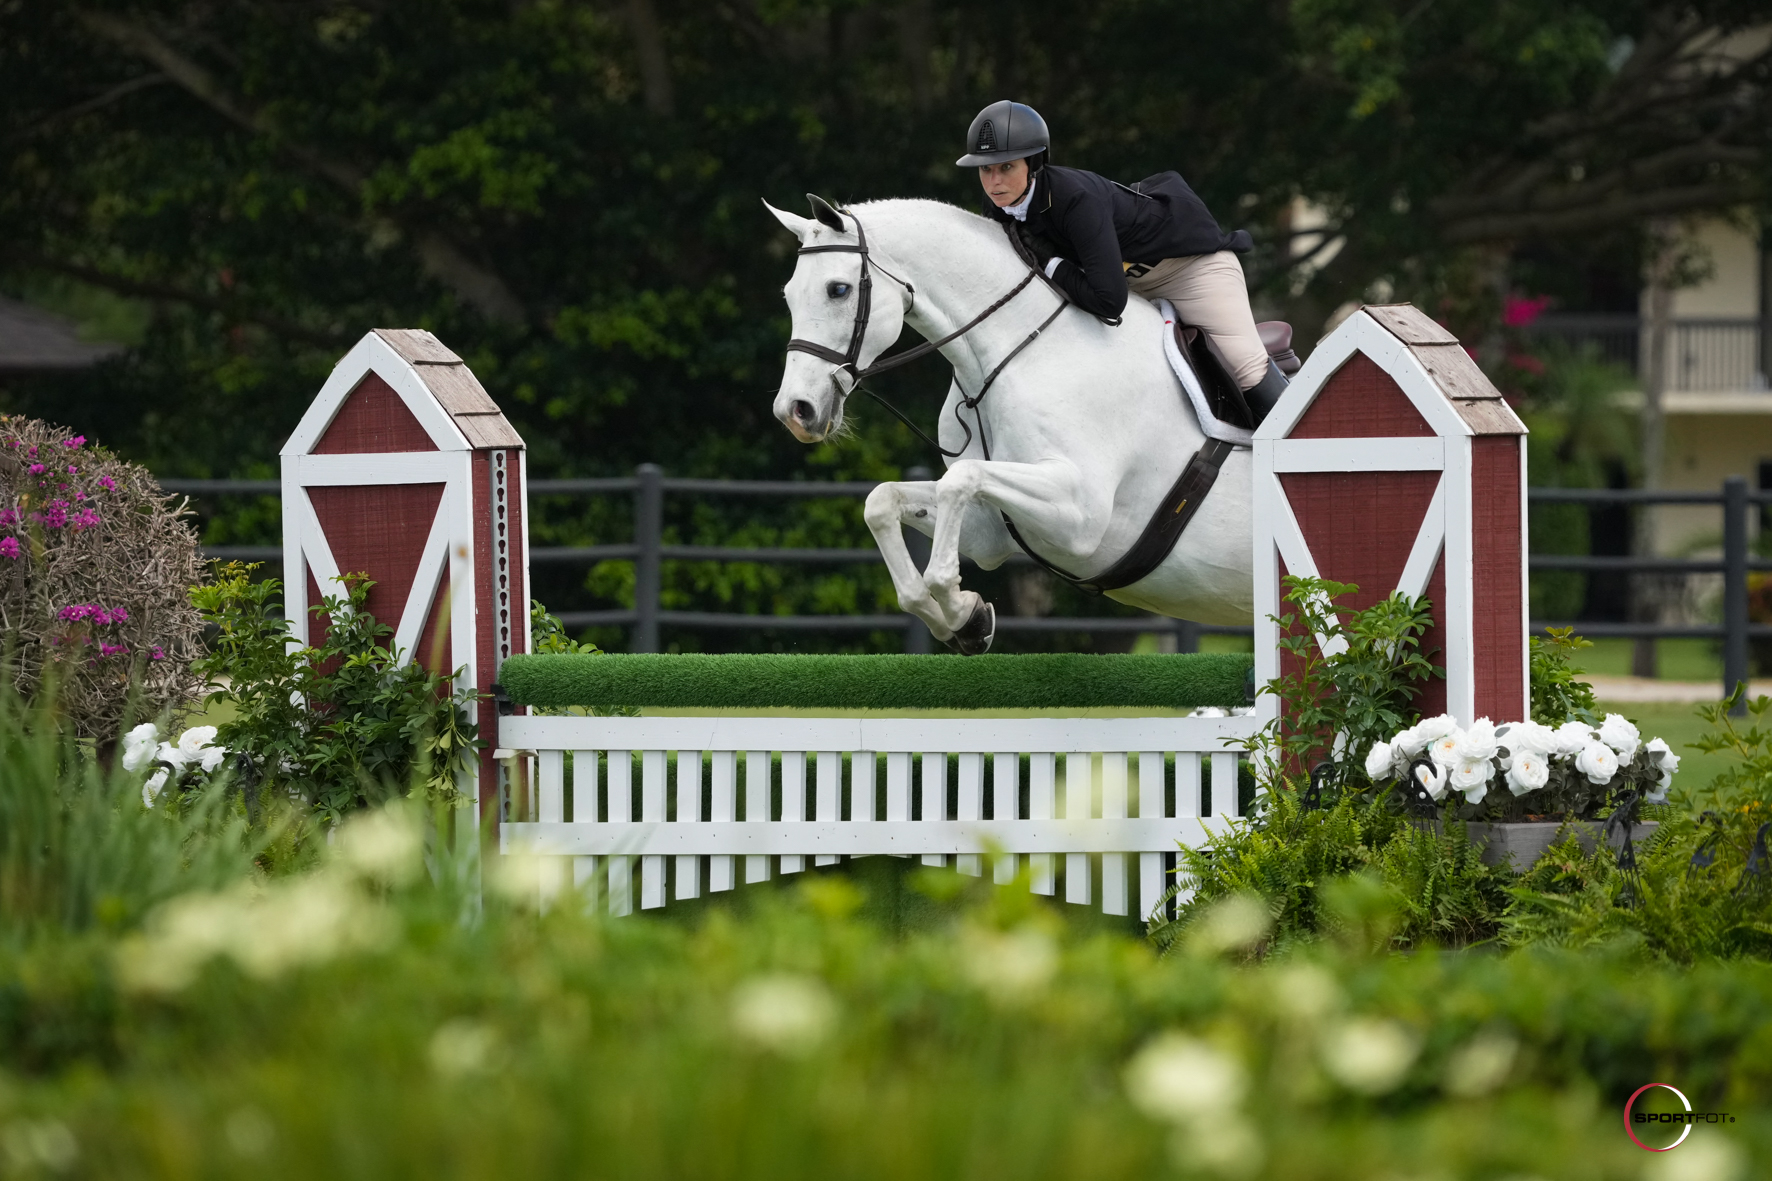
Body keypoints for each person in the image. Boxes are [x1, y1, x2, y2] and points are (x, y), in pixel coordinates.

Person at [957, 99, 1286, 419]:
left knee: (1244, 366)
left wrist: (1051, 260)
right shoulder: (1000, 205)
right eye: (985, 169)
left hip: (1191, 271)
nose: (994, 182)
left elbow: (1108, 302)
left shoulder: (1075, 199)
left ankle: (1302, 448)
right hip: (1127, 281)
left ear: (1035, 163)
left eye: (1006, 167)